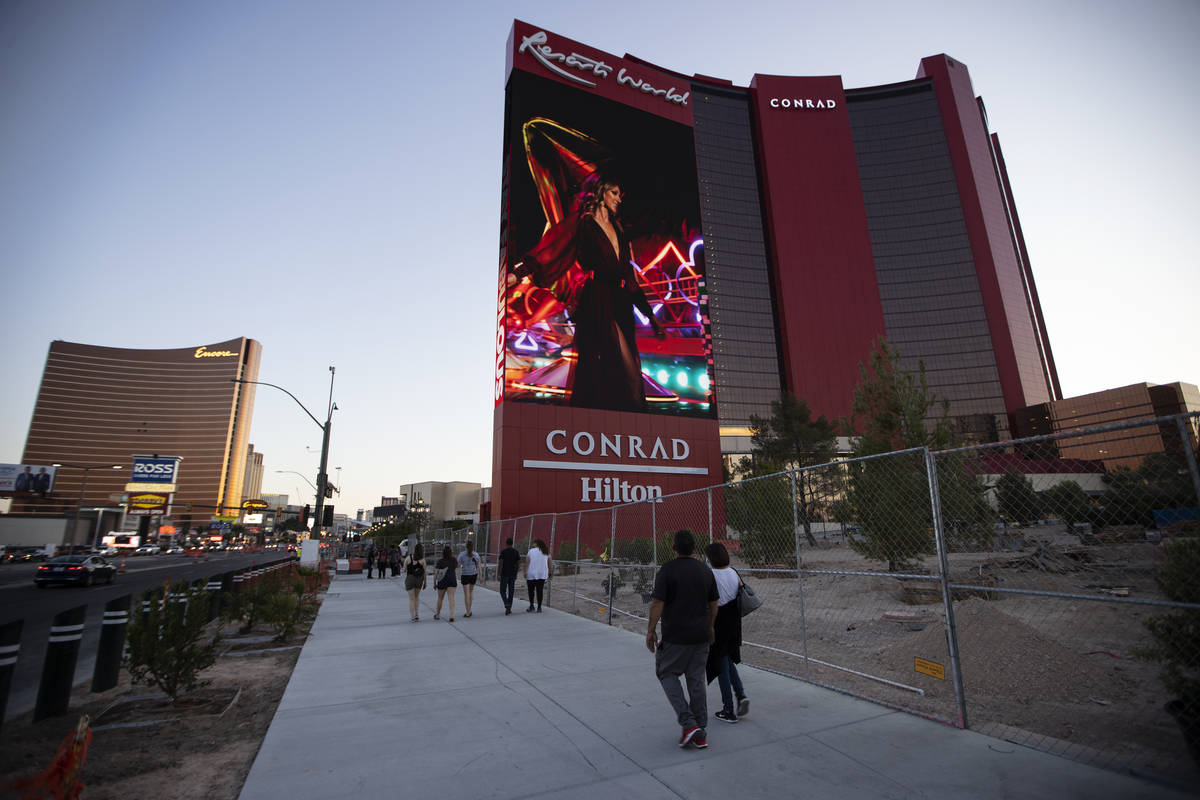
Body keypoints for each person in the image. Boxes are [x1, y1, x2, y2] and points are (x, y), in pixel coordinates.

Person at [519, 173, 666, 412]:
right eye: (614, 193)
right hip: (596, 299)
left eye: (620, 195)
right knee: (601, 365)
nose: (619, 199)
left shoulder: (619, 230)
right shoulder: (583, 224)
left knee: (626, 368)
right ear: (601, 194)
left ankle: (624, 427)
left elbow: (629, 278)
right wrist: (521, 270)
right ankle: (596, 423)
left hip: (621, 302)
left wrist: (651, 317)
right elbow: (555, 247)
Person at [646, 529, 718, 749]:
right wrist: (711, 627)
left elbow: (658, 603)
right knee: (696, 681)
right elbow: (713, 603)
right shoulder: (705, 571)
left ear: (674, 548)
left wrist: (650, 630)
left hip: (676, 636)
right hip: (700, 635)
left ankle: (688, 723)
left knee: (666, 672)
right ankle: (701, 730)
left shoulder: (667, 570)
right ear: (694, 548)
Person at [704, 542, 749, 723]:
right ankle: (740, 694)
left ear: (711, 558)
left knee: (720, 664)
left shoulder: (711, 575)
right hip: (733, 621)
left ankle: (728, 709)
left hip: (718, 621)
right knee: (727, 659)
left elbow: (710, 602)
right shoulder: (733, 572)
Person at [524, 539, 551, 612]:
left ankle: (532, 605)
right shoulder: (546, 551)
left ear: (537, 544)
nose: (533, 544)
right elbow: (549, 562)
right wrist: (550, 572)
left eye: (534, 543)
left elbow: (527, 562)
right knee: (540, 591)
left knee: (531, 591)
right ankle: (539, 607)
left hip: (531, 573)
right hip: (541, 574)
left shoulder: (531, 551)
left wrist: (525, 572)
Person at [457, 540, 482, 617]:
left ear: (466, 546)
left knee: (466, 594)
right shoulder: (476, 555)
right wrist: (480, 577)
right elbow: (479, 566)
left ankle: (467, 612)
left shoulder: (462, 555)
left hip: (465, 575)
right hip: (473, 574)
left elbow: (458, 565)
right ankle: (469, 610)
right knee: (471, 593)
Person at [497, 537, 521, 615]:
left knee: (502, 590)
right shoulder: (516, 552)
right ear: (512, 543)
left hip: (504, 574)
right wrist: (516, 573)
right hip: (512, 574)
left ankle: (506, 603)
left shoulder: (503, 552)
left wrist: (499, 574)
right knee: (511, 591)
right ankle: (509, 607)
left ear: (506, 543)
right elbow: (518, 564)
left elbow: (500, 563)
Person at [403, 543, 427, 622]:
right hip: (419, 579)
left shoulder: (408, 558)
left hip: (410, 578)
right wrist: (425, 582)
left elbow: (404, 570)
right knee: (416, 597)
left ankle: (412, 616)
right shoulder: (423, 560)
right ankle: (417, 614)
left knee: (411, 599)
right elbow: (424, 572)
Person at [434, 545, 458, 622]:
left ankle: (437, 615)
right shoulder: (454, 560)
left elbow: (436, 573)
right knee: (451, 598)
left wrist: (434, 583)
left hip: (442, 581)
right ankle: (451, 615)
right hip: (452, 580)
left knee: (440, 598)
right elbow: (457, 566)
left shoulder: (440, 561)